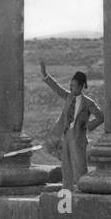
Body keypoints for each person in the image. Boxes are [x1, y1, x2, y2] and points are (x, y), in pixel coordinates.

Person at [39, 60, 103, 191]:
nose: (70, 88)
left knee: (79, 167)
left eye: (73, 86)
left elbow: (101, 117)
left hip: (78, 138)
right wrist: (45, 74)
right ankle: (66, 194)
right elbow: (57, 88)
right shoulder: (68, 97)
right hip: (66, 136)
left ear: (80, 86)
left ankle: (84, 191)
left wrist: (88, 126)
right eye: (70, 85)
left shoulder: (88, 103)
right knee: (66, 168)